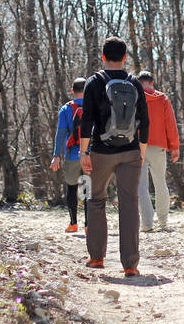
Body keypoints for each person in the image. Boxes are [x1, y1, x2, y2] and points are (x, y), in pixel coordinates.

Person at [80, 37, 150, 276]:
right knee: (130, 205)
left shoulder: (94, 83)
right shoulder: (135, 83)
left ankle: (97, 258)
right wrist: (139, 153)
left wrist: (83, 152)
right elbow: (145, 121)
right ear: (125, 58)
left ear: (102, 56)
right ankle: (130, 264)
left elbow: (87, 120)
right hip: (130, 151)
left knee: (96, 200)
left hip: (101, 151)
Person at [136, 71, 180, 232]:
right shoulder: (162, 99)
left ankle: (147, 223)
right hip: (159, 146)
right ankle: (163, 220)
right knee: (161, 183)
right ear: (152, 83)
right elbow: (171, 124)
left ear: (139, 82)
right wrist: (174, 146)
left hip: (139, 146)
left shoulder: (134, 98)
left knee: (141, 186)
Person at [49, 78, 87, 233]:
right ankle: (88, 226)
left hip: (72, 155)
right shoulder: (94, 106)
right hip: (90, 154)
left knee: (71, 188)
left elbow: (60, 134)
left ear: (73, 91)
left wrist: (57, 155)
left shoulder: (66, 109)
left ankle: (73, 223)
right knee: (88, 189)